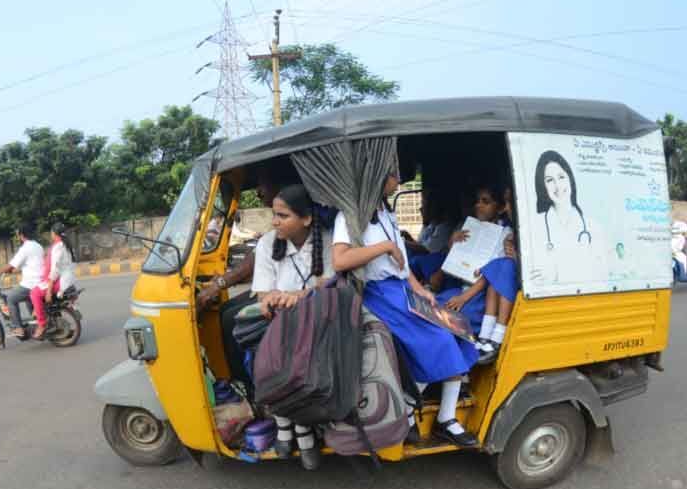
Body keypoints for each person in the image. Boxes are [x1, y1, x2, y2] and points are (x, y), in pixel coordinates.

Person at [332, 167, 479, 447]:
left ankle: (440, 416)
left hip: (402, 290)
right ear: (375, 177)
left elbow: (401, 266)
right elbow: (340, 260)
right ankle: (414, 411)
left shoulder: (387, 214)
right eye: (392, 174)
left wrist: (420, 289)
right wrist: (386, 246)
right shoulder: (350, 215)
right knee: (438, 339)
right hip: (378, 294)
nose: (399, 181)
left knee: (459, 336)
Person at [250, 184, 334, 469]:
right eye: (274, 215)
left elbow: (329, 288)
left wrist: (297, 297)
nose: (275, 222)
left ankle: (299, 428)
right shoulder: (266, 244)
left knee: (300, 362)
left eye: (283, 216)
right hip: (279, 321)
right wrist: (270, 299)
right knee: (267, 358)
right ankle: (290, 427)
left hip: (318, 320)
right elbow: (263, 292)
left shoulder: (328, 241)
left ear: (306, 218)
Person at [197, 171, 279, 388]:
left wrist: (219, 284)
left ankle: (248, 386)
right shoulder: (281, 217)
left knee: (232, 319)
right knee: (226, 311)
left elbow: (252, 260)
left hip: (286, 293)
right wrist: (220, 283)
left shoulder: (291, 217)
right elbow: (258, 254)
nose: (259, 193)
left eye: (263, 185)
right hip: (275, 288)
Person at [436, 185, 519, 365]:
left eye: (486, 202)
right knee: (432, 306)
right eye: (478, 201)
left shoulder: (505, 235)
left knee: (445, 314)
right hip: (465, 288)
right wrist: (453, 244)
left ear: (499, 208)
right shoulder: (471, 228)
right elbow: (456, 264)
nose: (478, 205)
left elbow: (495, 274)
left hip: (480, 295)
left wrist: (463, 298)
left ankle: (457, 369)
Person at [529, 151, 605, 285]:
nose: (558, 186)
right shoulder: (534, 225)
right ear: (543, 187)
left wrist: (555, 274)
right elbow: (533, 275)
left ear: (570, 178)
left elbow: (600, 274)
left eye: (561, 177)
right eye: (549, 180)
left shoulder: (593, 227)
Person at [0, 224, 44, 338]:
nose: (18, 237)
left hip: (31, 283)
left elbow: (11, 264)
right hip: (41, 282)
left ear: (21, 235)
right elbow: (28, 263)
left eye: (18, 235)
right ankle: (35, 322)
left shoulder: (25, 248)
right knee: (27, 299)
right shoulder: (38, 245)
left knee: (11, 298)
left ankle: (18, 328)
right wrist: (12, 270)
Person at [30, 223, 77, 340]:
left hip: (60, 281)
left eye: (51, 232)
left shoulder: (58, 247)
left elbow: (55, 269)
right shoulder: (66, 245)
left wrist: (49, 290)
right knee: (38, 287)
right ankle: (40, 312)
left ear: (54, 234)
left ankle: (42, 324)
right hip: (68, 279)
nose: (50, 234)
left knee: (34, 293)